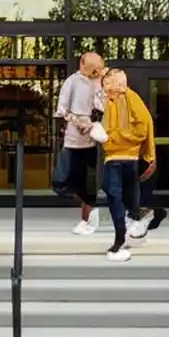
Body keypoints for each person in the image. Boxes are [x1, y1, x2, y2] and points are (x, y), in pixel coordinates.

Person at [97, 68, 153, 262]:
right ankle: (120, 233)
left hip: (129, 156)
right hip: (111, 156)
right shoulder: (106, 101)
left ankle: (134, 223)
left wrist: (118, 138)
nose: (104, 88)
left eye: (107, 84)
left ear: (118, 82)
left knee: (126, 197)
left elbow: (144, 126)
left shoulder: (131, 98)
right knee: (113, 193)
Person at [54, 52, 107, 235]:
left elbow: (103, 106)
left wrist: (93, 122)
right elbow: (61, 109)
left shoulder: (98, 82)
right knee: (61, 182)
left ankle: (87, 218)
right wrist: (76, 120)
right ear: (82, 64)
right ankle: (89, 211)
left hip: (91, 139)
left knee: (87, 183)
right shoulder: (72, 81)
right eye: (94, 67)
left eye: (98, 68)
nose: (96, 71)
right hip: (72, 140)